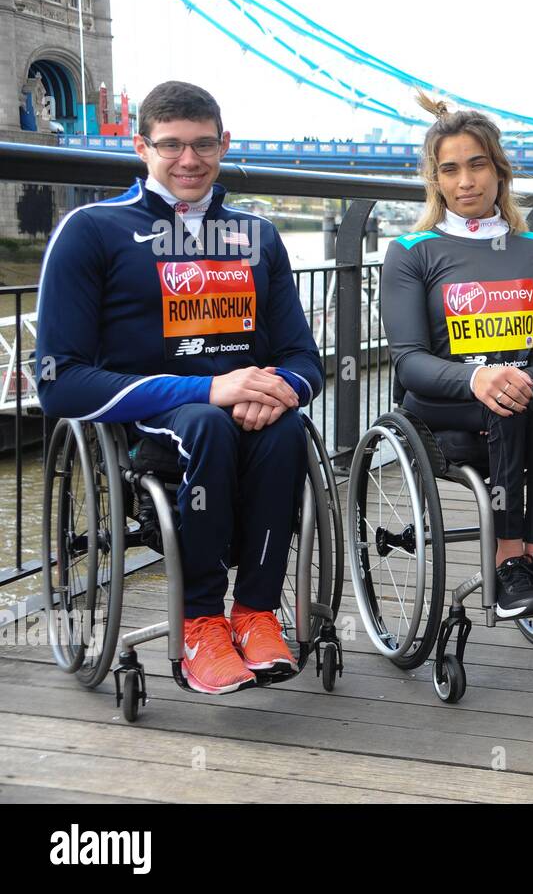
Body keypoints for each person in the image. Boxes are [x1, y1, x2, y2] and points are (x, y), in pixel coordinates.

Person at [36, 81, 324, 694]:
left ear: (224, 145)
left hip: (249, 411)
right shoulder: (91, 230)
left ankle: (253, 610)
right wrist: (208, 390)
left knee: (287, 423)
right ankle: (199, 621)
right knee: (207, 421)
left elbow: (304, 359)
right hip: (150, 418)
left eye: (202, 145)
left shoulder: (259, 236)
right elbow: (59, 382)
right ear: (141, 146)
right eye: (170, 146)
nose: (188, 161)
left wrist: (278, 389)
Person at [381, 93, 533, 621]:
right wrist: (479, 379)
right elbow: (407, 361)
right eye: (450, 170)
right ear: (436, 179)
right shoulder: (411, 251)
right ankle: (510, 554)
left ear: (500, 171)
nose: (465, 181)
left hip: (525, 398)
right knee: (521, 400)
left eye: (477, 165)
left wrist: (510, 380)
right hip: (440, 402)